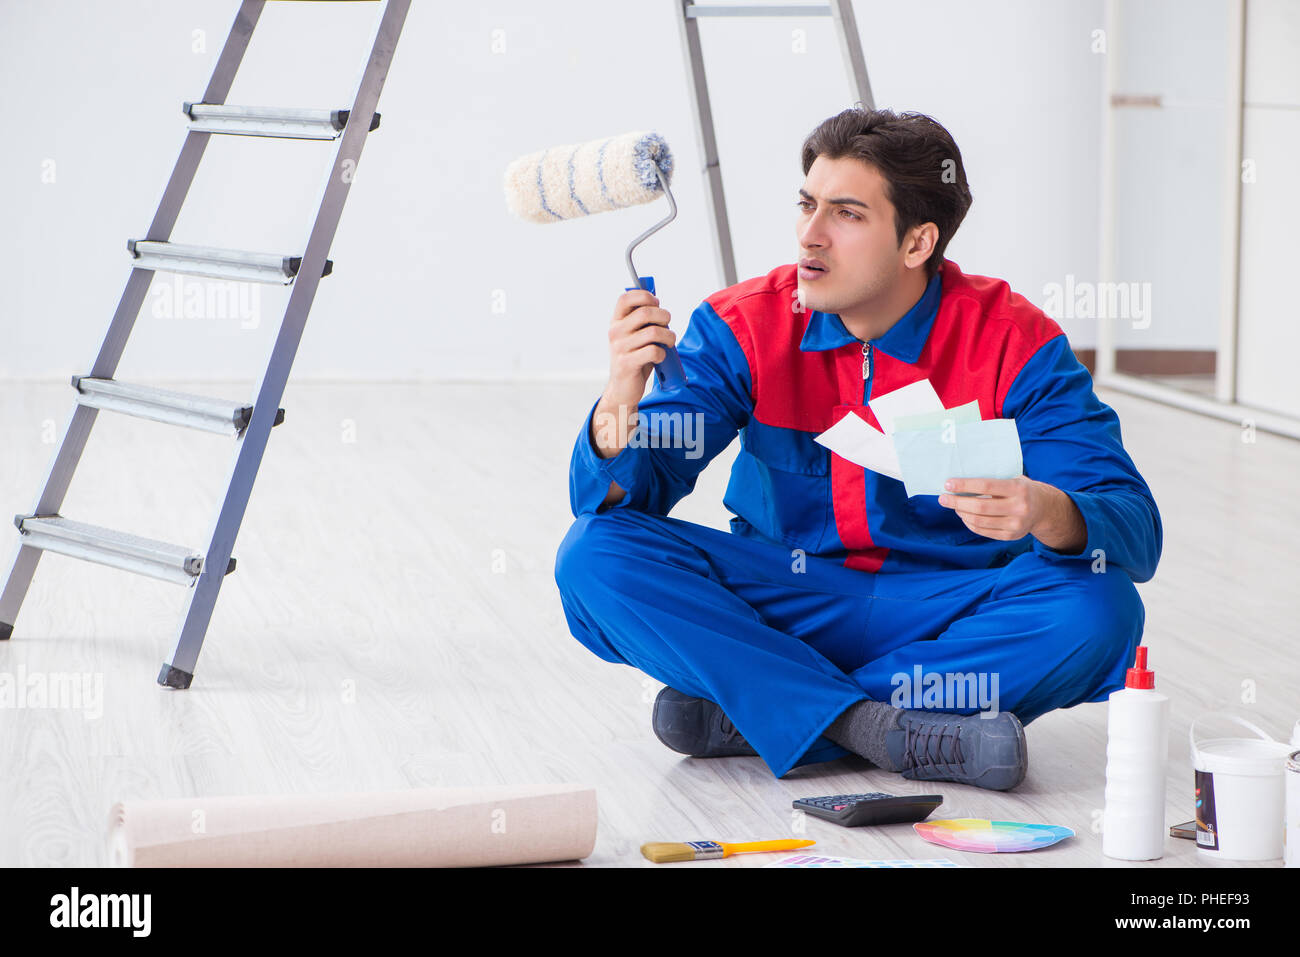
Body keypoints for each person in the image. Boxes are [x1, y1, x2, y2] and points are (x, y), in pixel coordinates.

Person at [552, 108, 1162, 791]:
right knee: (594, 554)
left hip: (948, 612)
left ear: (917, 242)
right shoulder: (744, 325)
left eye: (846, 214)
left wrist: (1046, 508)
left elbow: (1133, 530)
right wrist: (618, 401)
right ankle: (880, 727)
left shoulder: (1012, 341)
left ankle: (762, 704)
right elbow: (628, 496)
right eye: (807, 204)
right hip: (789, 598)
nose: (809, 236)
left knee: (1102, 608)